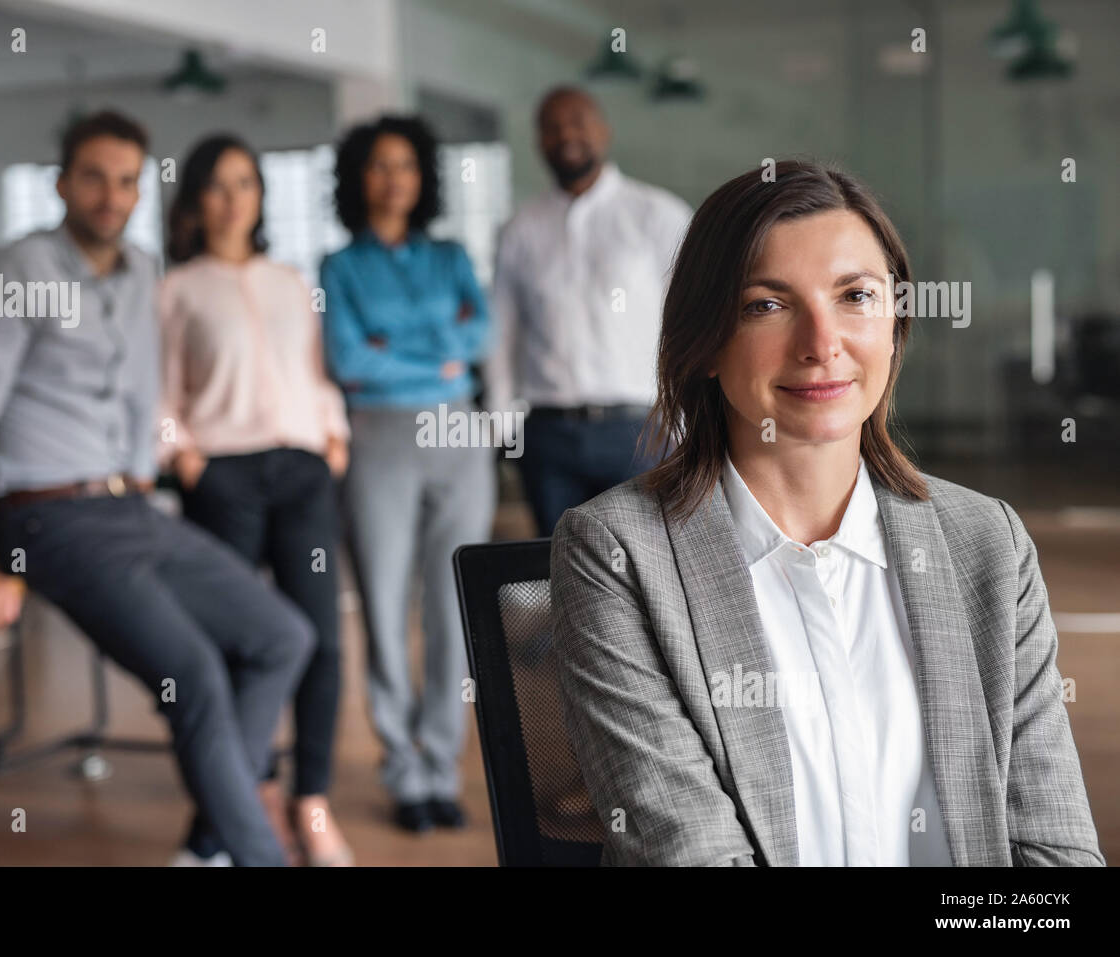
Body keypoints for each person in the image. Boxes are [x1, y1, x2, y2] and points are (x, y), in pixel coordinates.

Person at [550, 159, 1105, 867]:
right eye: (767, 305)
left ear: (896, 322)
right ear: (706, 344)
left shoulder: (986, 544)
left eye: (856, 295)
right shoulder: (617, 553)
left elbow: (1056, 856)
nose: (822, 342)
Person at [0, 110, 314, 868]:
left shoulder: (144, 272)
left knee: (283, 636)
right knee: (198, 675)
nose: (112, 195)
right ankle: (253, 854)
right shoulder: (20, 271)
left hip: (133, 506)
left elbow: (147, 397)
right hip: (48, 516)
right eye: (94, 178)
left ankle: (209, 844)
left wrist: (156, 466)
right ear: (62, 184)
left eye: (127, 181)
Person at [158, 133, 353, 867]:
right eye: (217, 184)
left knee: (322, 640)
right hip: (224, 478)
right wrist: (185, 458)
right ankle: (256, 792)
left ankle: (312, 802)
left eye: (246, 182)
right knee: (242, 643)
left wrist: (331, 436)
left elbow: (316, 371)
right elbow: (160, 390)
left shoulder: (289, 279)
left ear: (261, 195)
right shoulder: (175, 289)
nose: (233, 197)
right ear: (195, 200)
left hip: (303, 469)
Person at [320, 115, 495, 833]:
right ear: (357, 179)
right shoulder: (338, 268)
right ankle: (403, 769)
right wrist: (437, 354)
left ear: (423, 178)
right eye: (378, 165)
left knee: (454, 601)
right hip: (380, 436)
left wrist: (402, 344)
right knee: (385, 605)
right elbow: (349, 360)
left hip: (460, 430)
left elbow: (479, 333)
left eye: (406, 165)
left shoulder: (452, 255)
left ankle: (442, 766)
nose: (394, 179)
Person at [486, 85, 692, 534]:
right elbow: (502, 331)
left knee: (650, 569)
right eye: (551, 127)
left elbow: (691, 320)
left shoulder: (657, 214)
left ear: (603, 130)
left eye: (577, 122)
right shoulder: (520, 230)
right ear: (539, 141)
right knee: (560, 570)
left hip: (640, 431)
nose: (565, 135)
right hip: (547, 433)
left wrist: (684, 422)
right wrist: (504, 426)